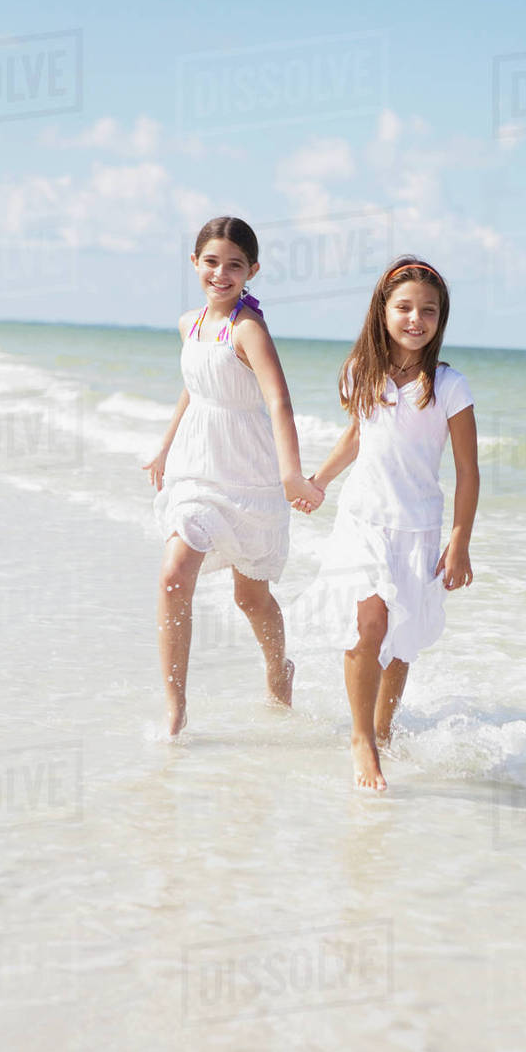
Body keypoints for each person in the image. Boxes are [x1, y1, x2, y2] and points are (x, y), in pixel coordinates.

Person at [294, 256, 479, 791]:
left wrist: (460, 541)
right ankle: (361, 740)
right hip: (363, 519)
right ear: (383, 310)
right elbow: (358, 436)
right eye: (404, 307)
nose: (415, 319)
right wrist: (320, 480)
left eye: (429, 310)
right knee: (368, 623)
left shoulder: (448, 386)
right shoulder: (363, 372)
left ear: (441, 320)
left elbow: (469, 471)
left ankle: (382, 727)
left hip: (417, 527)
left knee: (399, 639)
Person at [144, 215, 323, 736]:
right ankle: (176, 706)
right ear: (195, 264)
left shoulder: (248, 329)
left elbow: (279, 401)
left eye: (234, 265)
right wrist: (164, 447)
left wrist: (291, 475)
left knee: (251, 597)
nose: (221, 273)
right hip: (196, 469)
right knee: (174, 575)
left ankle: (278, 669)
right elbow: (195, 385)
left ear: (252, 271)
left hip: (248, 474)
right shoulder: (189, 323)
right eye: (212, 262)